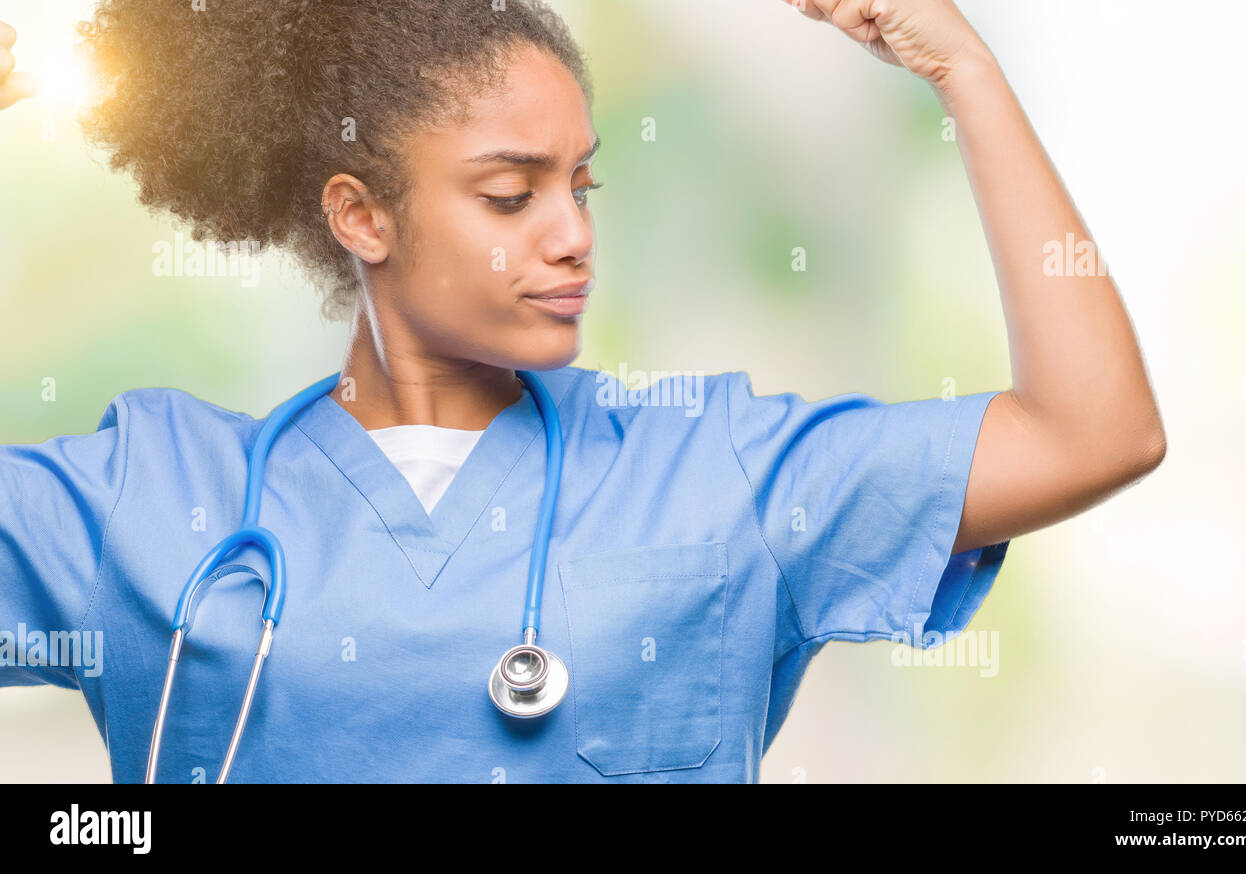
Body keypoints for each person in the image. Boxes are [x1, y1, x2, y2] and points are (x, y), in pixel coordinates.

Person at [0, 0, 1165, 784]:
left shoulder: (718, 464)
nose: (573, 237)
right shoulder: (142, 498)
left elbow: (1090, 430)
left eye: (583, 183)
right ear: (361, 215)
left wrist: (965, 73)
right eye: (511, 196)